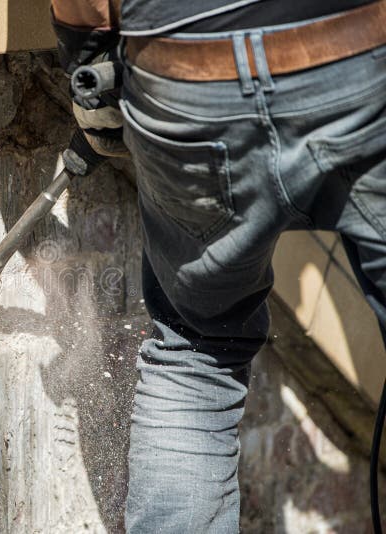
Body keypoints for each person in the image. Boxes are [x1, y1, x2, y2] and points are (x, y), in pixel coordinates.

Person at [50, 0, 386, 531]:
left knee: (194, 356)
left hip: (187, 74)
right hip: (353, 50)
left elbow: (87, 7)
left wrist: (90, 65)